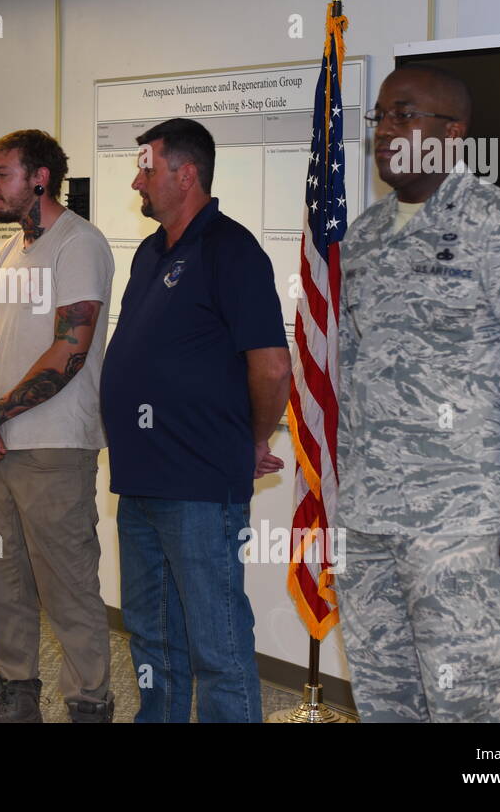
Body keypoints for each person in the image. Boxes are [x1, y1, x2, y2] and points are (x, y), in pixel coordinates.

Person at [335, 66, 500, 722]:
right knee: (385, 703)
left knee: (463, 709)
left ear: (454, 132)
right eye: (380, 116)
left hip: (461, 531)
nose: (385, 131)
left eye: (404, 114)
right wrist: (345, 496)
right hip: (369, 520)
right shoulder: (363, 235)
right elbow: (351, 373)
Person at [100, 117, 291, 722]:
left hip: (201, 484)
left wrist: (253, 438)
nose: (137, 180)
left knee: (217, 640)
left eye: (146, 168)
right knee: (152, 635)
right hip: (141, 480)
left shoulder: (231, 250)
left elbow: (272, 367)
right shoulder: (151, 253)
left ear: (186, 174)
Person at [0, 129, 115, 723]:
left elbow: (69, 352)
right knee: (3, 581)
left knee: (68, 586)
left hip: (54, 447)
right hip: (2, 446)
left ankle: (88, 704)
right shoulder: (8, 252)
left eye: (2, 174)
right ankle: (19, 697)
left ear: (40, 179)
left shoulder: (80, 245)